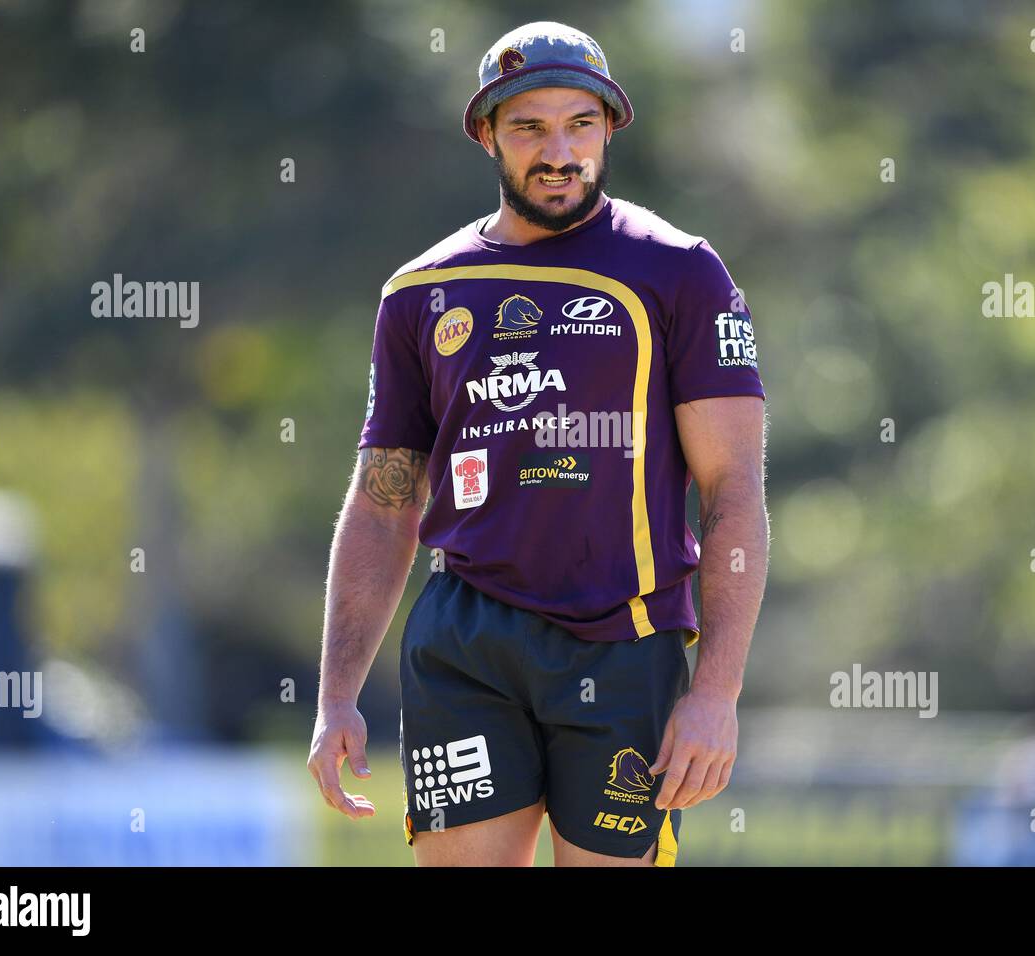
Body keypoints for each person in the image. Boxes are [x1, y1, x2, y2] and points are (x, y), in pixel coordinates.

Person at [308, 21, 769, 867]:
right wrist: (336, 695)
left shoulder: (680, 272)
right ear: (487, 134)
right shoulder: (419, 293)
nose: (559, 152)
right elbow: (384, 505)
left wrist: (717, 692)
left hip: (625, 645)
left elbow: (733, 492)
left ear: (607, 129)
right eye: (529, 127)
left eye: (580, 125)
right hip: (464, 646)